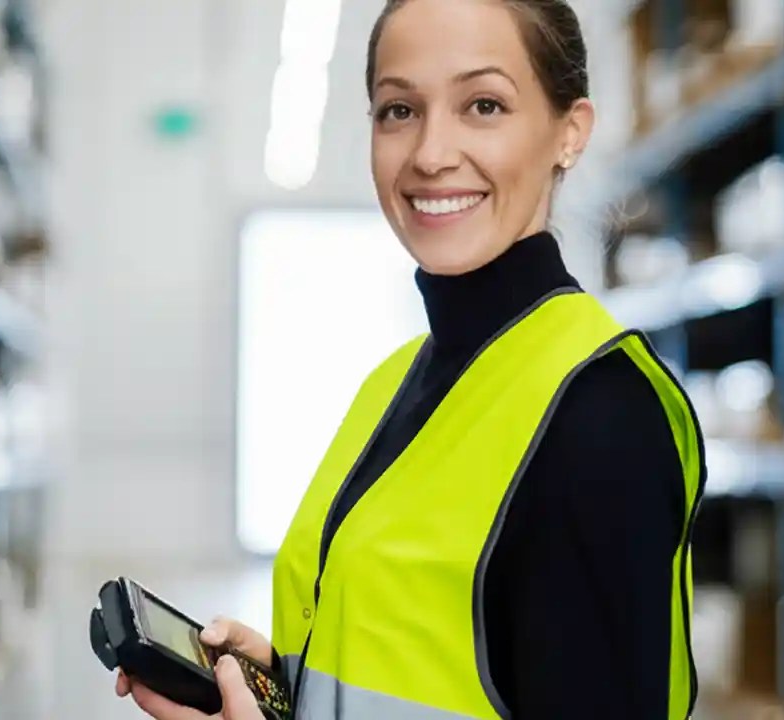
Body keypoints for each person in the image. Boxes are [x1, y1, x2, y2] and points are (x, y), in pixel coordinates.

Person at [116, 0, 706, 717]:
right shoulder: (395, 380)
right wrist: (285, 689)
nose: (430, 154)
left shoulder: (598, 410)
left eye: (483, 105)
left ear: (569, 132)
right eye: (399, 111)